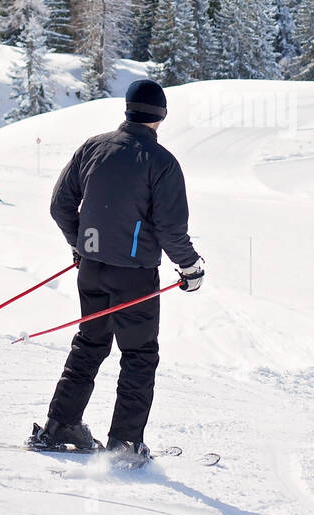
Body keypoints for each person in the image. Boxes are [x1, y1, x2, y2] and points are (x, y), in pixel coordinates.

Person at [33, 79, 204, 464]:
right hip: (135, 276)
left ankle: (61, 424)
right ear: (161, 116)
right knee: (139, 355)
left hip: (91, 269)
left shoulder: (93, 147)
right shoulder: (161, 163)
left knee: (90, 343)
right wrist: (190, 266)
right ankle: (125, 443)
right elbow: (170, 228)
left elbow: (61, 205)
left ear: (127, 110)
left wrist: (80, 245)